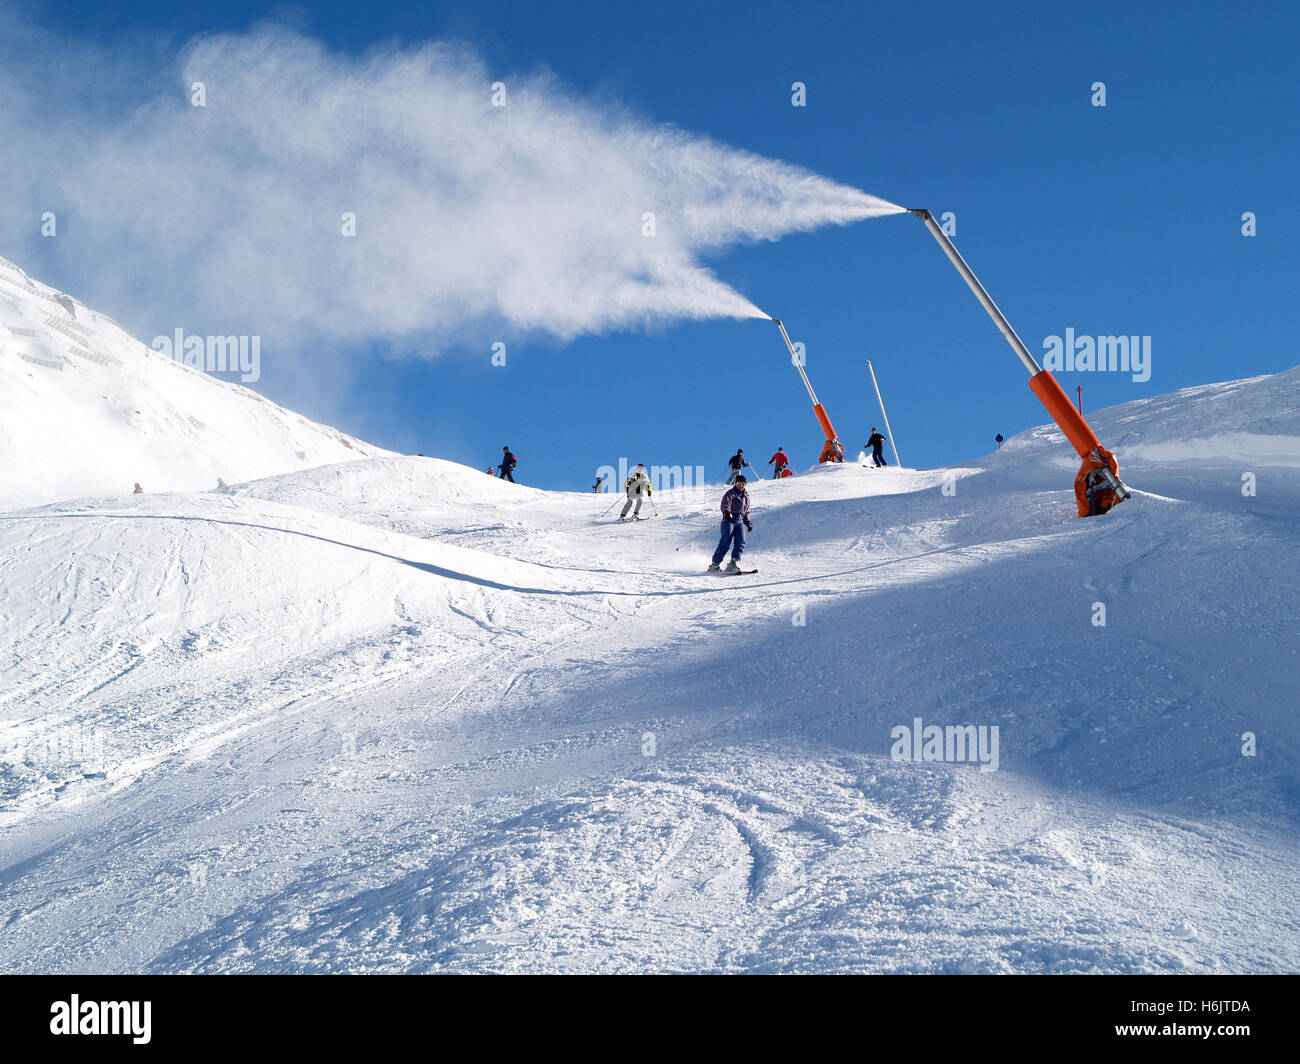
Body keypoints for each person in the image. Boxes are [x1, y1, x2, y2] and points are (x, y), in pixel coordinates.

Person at [708, 475, 752, 572]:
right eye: (739, 483)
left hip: (740, 520)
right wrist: (726, 512)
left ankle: (733, 563)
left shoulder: (746, 496)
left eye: (743, 484)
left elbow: (747, 510)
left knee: (741, 541)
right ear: (735, 483)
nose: (741, 485)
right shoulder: (730, 493)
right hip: (729, 519)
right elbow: (725, 504)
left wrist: (747, 522)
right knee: (726, 541)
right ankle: (715, 564)